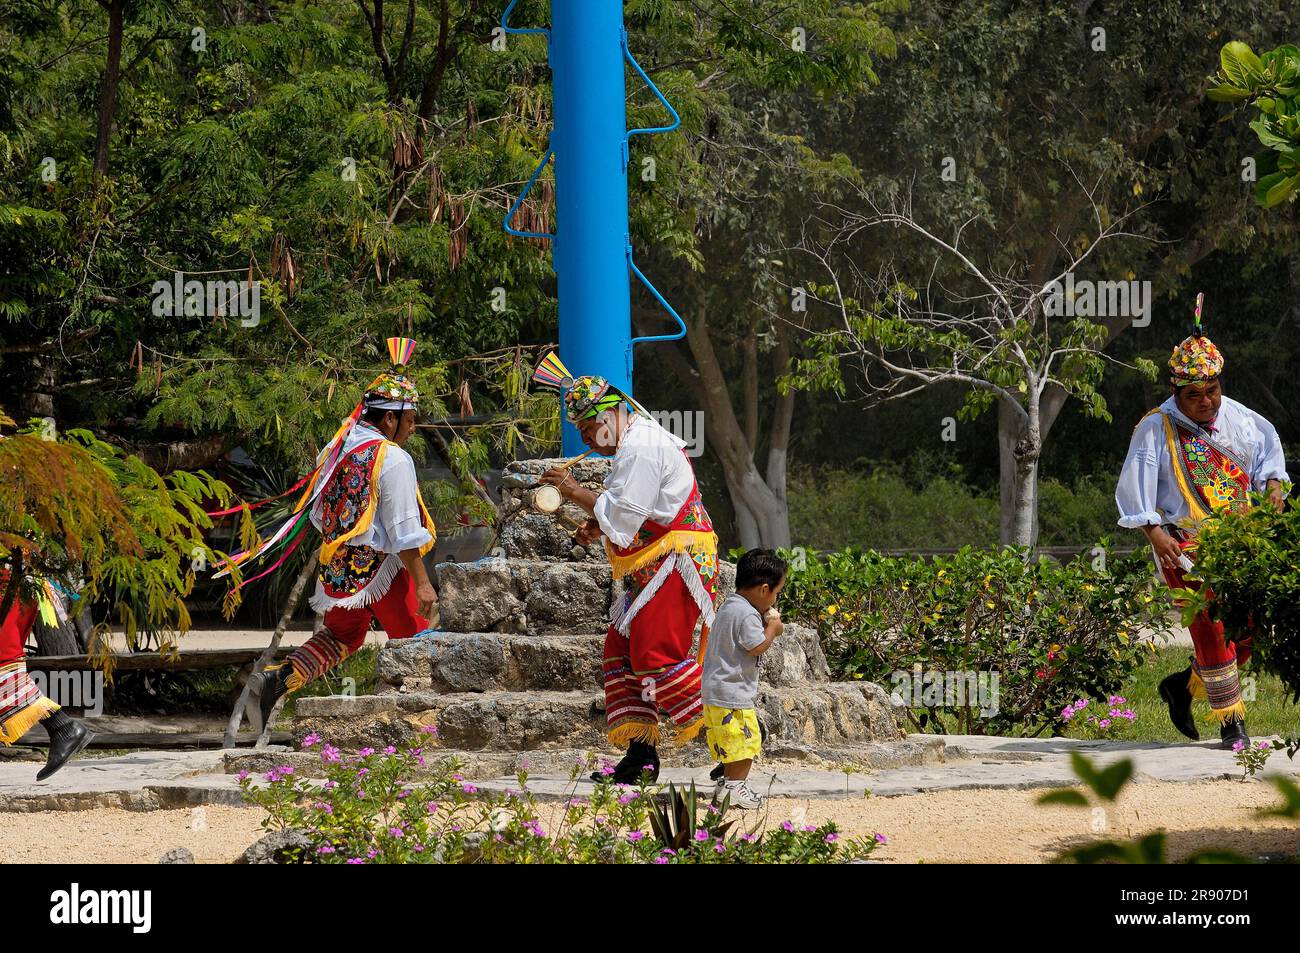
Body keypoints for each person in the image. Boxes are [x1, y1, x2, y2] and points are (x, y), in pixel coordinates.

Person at [534, 356, 720, 784]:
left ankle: (732, 731)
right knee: (620, 652)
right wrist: (596, 521)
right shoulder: (632, 443)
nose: (588, 442)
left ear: (608, 416)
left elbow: (626, 517)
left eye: (587, 431)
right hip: (653, 563)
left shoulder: (641, 446)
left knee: (657, 656)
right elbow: (625, 511)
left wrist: (573, 490)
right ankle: (641, 758)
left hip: (677, 560)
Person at [243, 338, 438, 731]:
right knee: (420, 643)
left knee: (343, 636)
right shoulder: (392, 458)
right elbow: (403, 532)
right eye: (411, 419)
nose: (414, 428)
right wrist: (423, 584)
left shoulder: (338, 449)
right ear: (389, 420)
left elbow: (318, 513)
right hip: (385, 571)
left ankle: (278, 677)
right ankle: (422, 728)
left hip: (339, 569)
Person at [1116, 312, 1287, 749]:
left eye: (1212, 391)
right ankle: (1232, 721)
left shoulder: (1240, 418)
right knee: (1210, 623)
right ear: (1177, 392)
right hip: (1182, 542)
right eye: (1195, 395)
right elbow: (1135, 489)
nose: (1206, 402)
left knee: (1248, 625)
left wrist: (1271, 486)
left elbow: (1269, 452)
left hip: (1237, 540)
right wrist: (1154, 534)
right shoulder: (1157, 427)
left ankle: (1182, 686)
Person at [701, 548, 785, 810]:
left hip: (716, 690)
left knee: (729, 739)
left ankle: (726, 784)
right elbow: (755, 645)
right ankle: (736, 787)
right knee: (746, 742)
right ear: (763, 589)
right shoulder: (748, 614)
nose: (775, 599)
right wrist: (773, 628)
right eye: (776, 592)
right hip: (733, 692)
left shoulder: (731, 605)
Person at [0, 573, 92, 780]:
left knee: (3, 665)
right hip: (17, 581)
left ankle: (62, 727)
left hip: (9, 582)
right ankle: (62, 728)